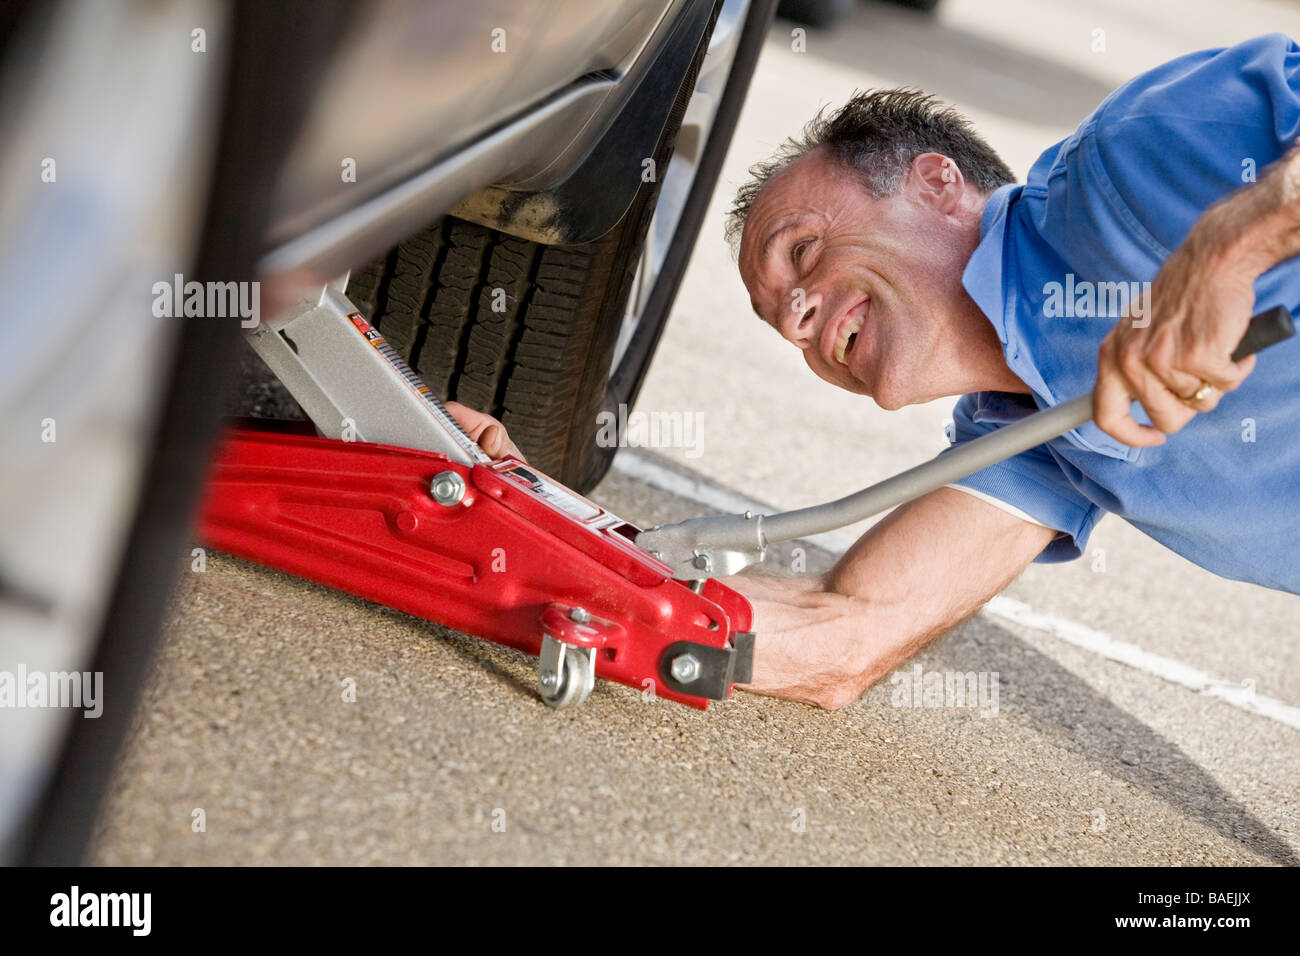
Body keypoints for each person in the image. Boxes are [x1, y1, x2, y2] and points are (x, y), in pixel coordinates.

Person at [448, 34, 1300, 709]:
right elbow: (842, 639)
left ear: (935, 184)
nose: (796, 318)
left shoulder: (1131, 158)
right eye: (779, 319)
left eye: (805, 250)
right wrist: (521, 516)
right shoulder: (1027, 439)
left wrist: (1239, 241)